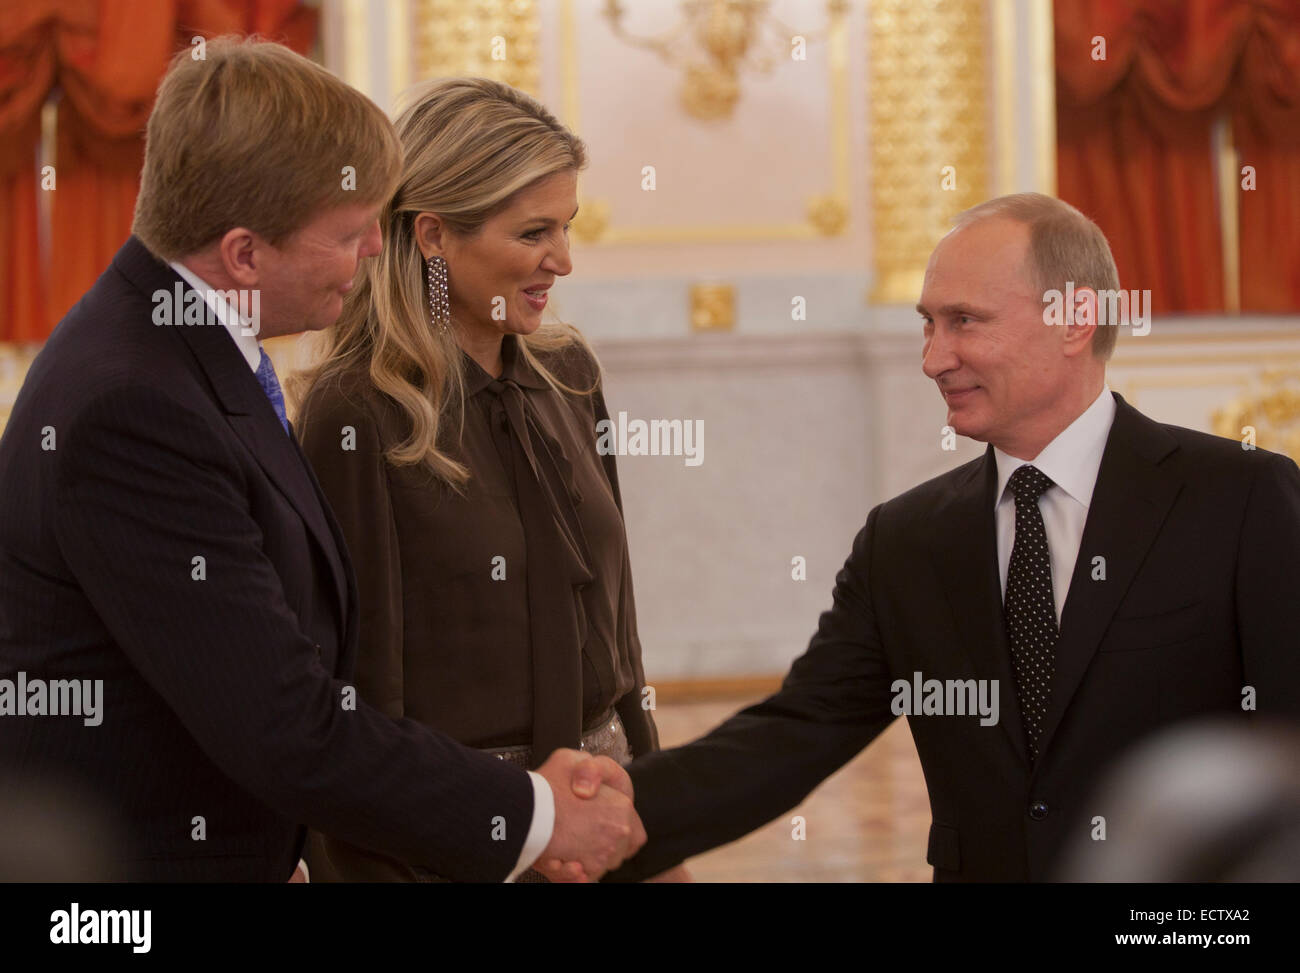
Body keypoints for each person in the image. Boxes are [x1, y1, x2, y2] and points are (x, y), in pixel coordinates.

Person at [0, 37, 642, 883]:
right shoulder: (137, 404)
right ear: (243, 252)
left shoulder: (177, 353)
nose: (379, 251)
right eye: (350, 232)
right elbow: (287, 720)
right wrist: (534, 814)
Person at [601, 192, 1300, 882]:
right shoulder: (904, 541)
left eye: (964, 320)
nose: (934, 358)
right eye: (928, 324)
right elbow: (794, 733)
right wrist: (595, 815)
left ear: (1076, 319)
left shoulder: (1240, 499)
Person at [294, 76, 671, 882]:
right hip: (456, 844)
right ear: (433, 234)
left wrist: (655, 820)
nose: (562, 262)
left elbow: (618, 622)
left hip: (604, 822)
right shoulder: (356, 411)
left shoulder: (569, 373)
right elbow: (358, 698)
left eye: (566, 228)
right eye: (534, 232)